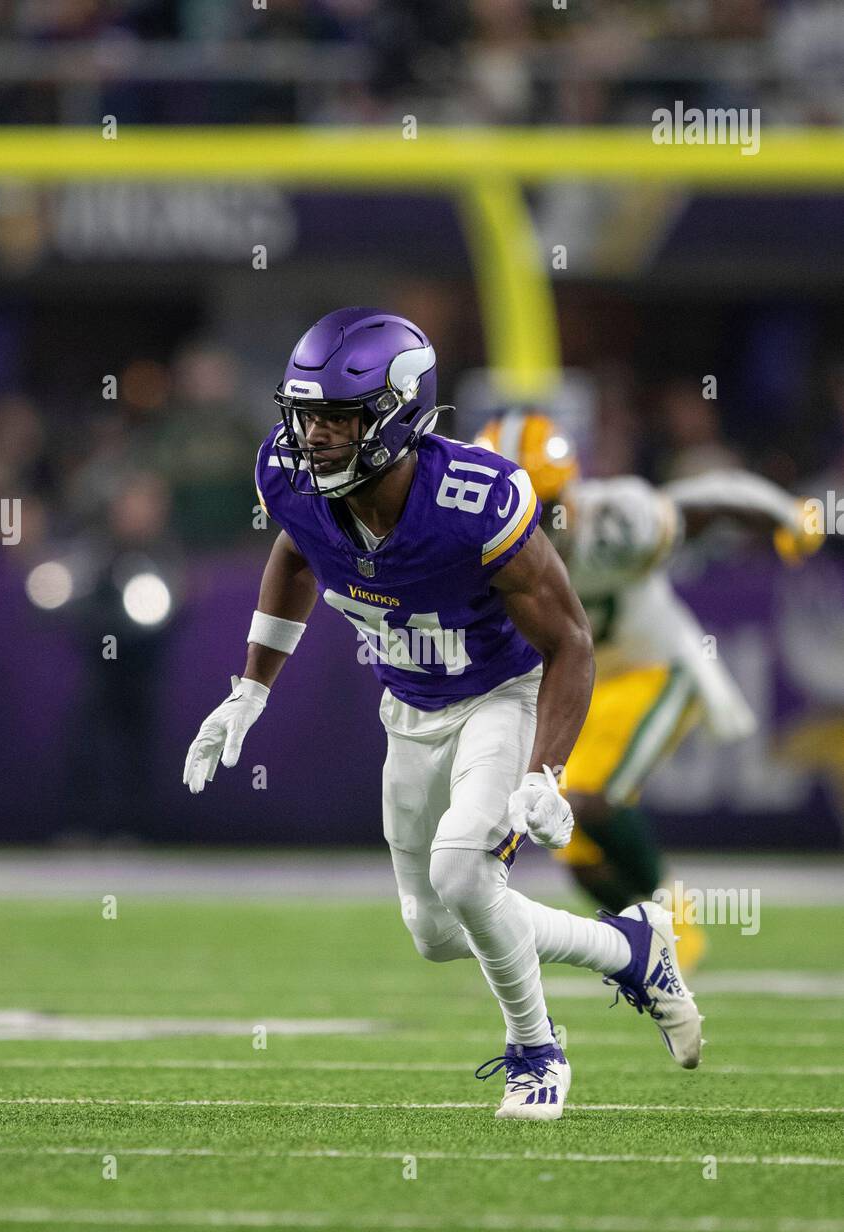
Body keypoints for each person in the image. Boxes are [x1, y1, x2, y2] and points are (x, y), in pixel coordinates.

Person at [183, 307, 702, 1120]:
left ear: (393, 415)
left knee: (465, 872)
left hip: (503, 695)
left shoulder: (473, 499)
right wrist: (252, 687)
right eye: (306, 415)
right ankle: (630, 948)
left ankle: (537, 1049)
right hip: (413, 708)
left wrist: (546, 771)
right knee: (433, 931)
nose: (312, 437)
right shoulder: (289, 478)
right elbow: (296, 549)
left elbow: (570, 643)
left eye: (337, 419)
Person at [476, 410, 825, 970]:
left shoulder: (619, 521)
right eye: (519, 505)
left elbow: (708, 497)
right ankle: (657, 941)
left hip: (654, 669)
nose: (532, 523)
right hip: (581, 689)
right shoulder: (473, 548)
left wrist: (784, 514)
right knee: (570, 837)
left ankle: (676, 926)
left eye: (543, 505)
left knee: (590, 798)